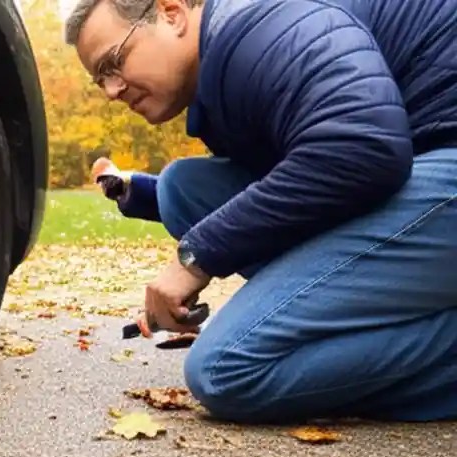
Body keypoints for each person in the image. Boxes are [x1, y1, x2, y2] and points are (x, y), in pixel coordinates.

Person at [64, 0, 457, 423]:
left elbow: (363, 145)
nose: (111, 90)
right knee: (180, 189)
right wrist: (140, 192)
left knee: (225, 370)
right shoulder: (227, 58)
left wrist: (195, 258)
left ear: (172, 14)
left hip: (430, 159)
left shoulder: (265, 31)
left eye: (114, 63)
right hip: (413, 160)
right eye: (99, 80)